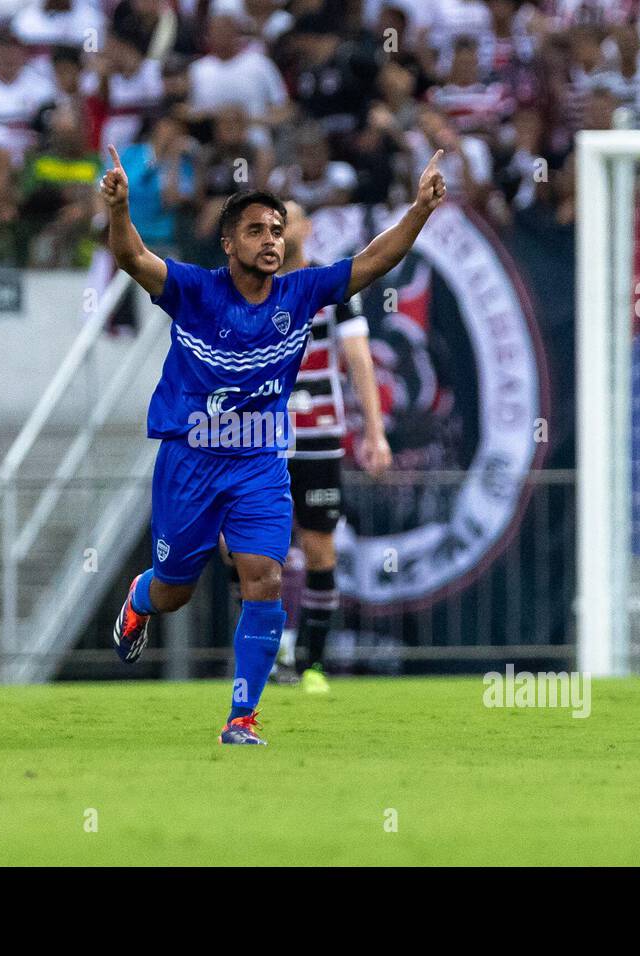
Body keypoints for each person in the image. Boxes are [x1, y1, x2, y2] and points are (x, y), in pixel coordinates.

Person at [100, 143, 446, 745]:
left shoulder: (301, 293)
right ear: (229, 243)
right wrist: (120, 208)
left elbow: (373, 260)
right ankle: (141, 598)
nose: (271, 239)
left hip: (260, 461)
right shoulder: (193, 290)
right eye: (256, 229)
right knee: (175, 589)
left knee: (263, 576)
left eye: (278, 230)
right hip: (191, 458)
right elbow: (130, 254)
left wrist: (418, 211)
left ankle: (241, 717)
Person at [270, 200, 392, 693]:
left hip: (318, 437)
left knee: (320, 551)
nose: (279, 230)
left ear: (306, 228)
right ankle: (273, 651)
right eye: (270, 224)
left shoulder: (332, 285)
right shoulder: (254, 284)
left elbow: (358, 357)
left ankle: (310, 663)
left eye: (286, 220)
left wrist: (375, 432)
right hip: (262, 439)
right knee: (249, 550)